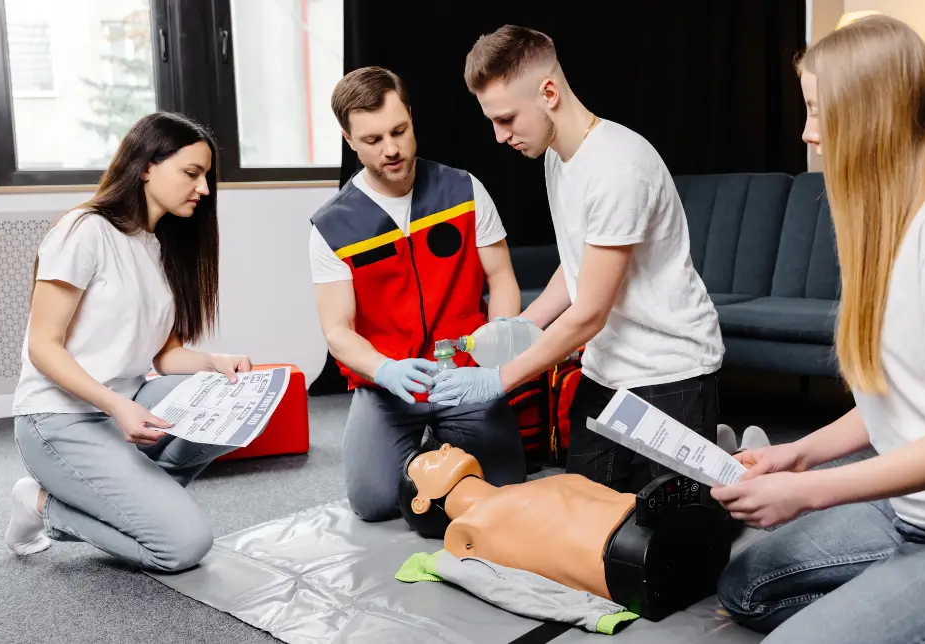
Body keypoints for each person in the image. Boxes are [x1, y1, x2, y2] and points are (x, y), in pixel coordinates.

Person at [712, 16, 925, 643]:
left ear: (871, 115)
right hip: (912, 509)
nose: (808, 133)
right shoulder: (895, 220)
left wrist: (810, 492)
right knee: (744, 586)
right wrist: (795, 454)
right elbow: (899, 398)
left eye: (818, 112)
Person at [432, 25, 724, 495]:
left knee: (672, 527)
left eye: (506, 119)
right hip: (606, 367)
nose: (499, 136)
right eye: (492, 121)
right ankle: (711, 455)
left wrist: (498, 380)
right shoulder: (557, 156)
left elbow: (589, 312)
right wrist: (521, 326)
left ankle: (722, 457)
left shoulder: (617, 168)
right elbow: (577, 265)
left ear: (548, 93)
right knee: (583, 514)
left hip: (671, 368)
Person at [5, 112, 252, 573]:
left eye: (206, 177)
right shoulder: (84, 230)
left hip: (127, 402)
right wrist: (116, 406)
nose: (204, 189)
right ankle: (41, 504)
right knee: (183, 547)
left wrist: (215, 362)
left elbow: (165, 355)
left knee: (230, 397)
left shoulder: (160, 247)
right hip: (60, 417)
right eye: (192, 173)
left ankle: (136, 497)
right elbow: (43, 345)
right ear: (146, 167)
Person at [310, 66, 527, 522]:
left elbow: (502, 280)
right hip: (389, 385)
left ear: (411, 117)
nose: (390, 150)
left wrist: (495, 353)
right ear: (349, 140)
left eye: (398, 131)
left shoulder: (465, 190)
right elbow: (337, 331)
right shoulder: (331, 227)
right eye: (372, 140)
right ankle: (428, 452)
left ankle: (441, 446)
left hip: (466, 374)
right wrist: (384, 370)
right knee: (373, 502)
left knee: (504, 489)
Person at [396, 434, 766, 621]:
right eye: (430, 460)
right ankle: (733, 468)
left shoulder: (521, 490)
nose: (445, 446)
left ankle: (730, 468)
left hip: (656, 526)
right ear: (421, 502)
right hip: (637, 559)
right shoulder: (464, 533)